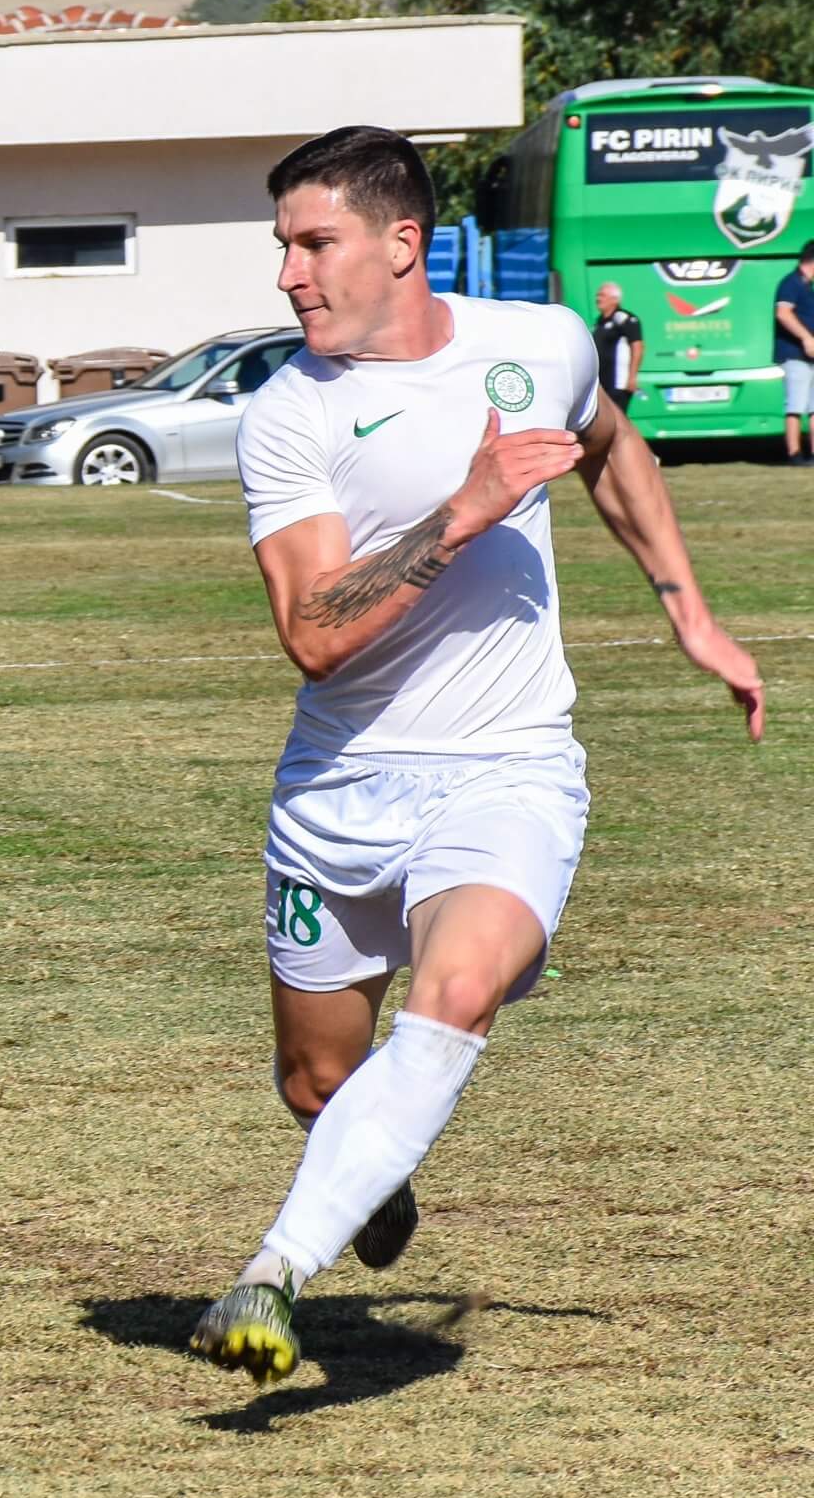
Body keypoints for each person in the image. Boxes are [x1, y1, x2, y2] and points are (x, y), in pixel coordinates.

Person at [190, 126, 764, 1385]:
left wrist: (690, 613)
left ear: (401, 244)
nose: (288, 274)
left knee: (455, 996)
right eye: (282, 247)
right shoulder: (289, 415)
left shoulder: (542, 344)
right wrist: (462, 510)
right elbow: (311, 637)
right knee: (315, 1084)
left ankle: (273, 1270)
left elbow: (607, 450)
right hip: (337, 792)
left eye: (313, 243)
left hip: (507, 769)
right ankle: (363, 1169)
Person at [774, 242, 814, 466]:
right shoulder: (791, 283)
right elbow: (783, 313)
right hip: (795, 354)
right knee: (795, 406)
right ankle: (794, 453)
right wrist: (806, 338)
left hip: (811, 356)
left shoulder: (807, 286)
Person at [591, 282, 642, 420]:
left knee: (617, 419)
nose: (598, 299)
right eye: (597, 295)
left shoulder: (624, 318)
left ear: (615, 299)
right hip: (603, 382)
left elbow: (637, 346)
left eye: (602, 295)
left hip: (618, 382)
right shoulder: (600, 321)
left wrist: (632, 377)